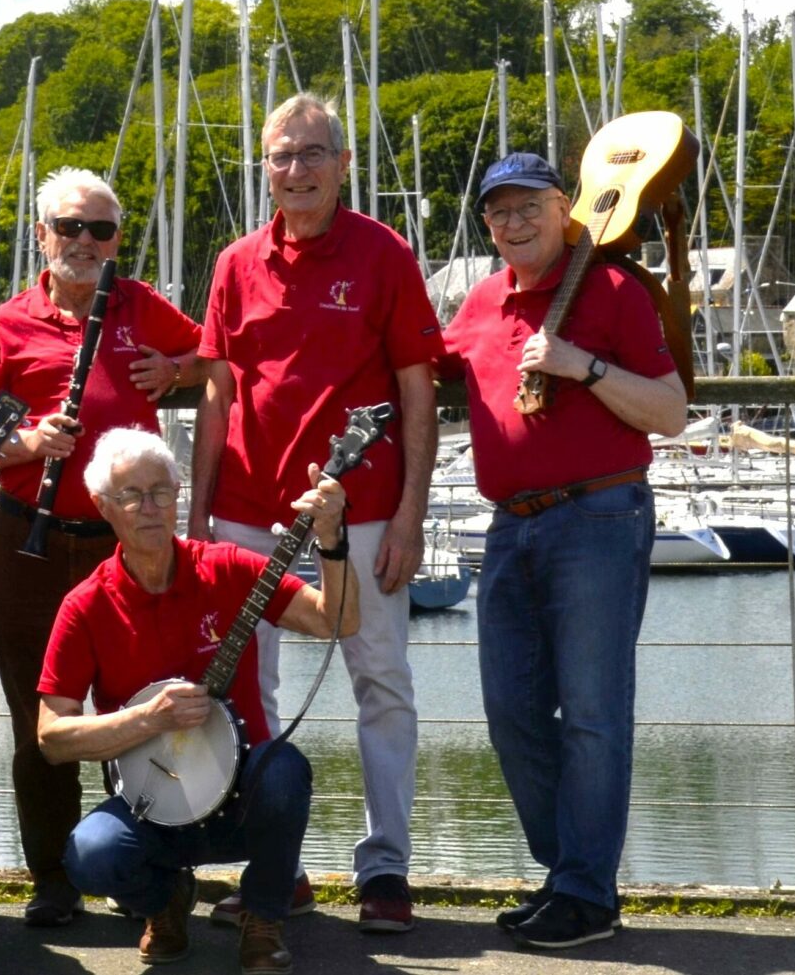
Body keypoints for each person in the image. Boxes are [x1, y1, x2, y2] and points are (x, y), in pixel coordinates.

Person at [189, 93, 442, 933]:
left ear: (341, 164)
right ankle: (277, 867)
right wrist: (198, 519)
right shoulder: (234, 263)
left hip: (362, 506)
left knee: (382, 682)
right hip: (248, 511)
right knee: (245, 691)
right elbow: (218, 396)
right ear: (264, 166)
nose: (294, 170)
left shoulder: (384, 253)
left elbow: (417, 390)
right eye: (280, 155)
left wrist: (411, 513)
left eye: (311, 153)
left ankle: (386, 869)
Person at [438, 152, 686, 949]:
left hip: (598, 517)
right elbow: (425, 371)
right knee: (510, 711)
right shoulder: (479, 301)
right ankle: (569, 873)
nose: (513, 224)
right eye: (498, 212)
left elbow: (672, 412)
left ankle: (585, 891)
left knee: (591, 714)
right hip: (508, 526)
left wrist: (584, 365)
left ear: (563, 209)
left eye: (528, 208)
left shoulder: (613, 289)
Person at [0, 166, 203, 927]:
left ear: (117, 239)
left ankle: (140, 866)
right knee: (40, 715)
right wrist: (26, 442)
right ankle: (54, 875)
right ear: (42, 235)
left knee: (138, 706)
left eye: (100, 229)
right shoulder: (4, 324)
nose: (85, 242)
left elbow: (218, 359)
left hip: (126, 546)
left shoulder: (140, 305)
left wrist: (176, 369)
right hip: (28, 542)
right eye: (70, 227)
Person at [38, 427, 356, 975]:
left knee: (284, 770)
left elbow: (338, 620)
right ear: (103, 507)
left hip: (241, 796)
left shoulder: (228, 567)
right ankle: (163, 903)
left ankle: (263, 915)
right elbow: (51, 739)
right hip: (150, 802)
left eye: (162, 491)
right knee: (91, 855)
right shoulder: (85, 605)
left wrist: (331, 539)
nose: (150, 508)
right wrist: (145, 718)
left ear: (179, 494)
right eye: (131, 495)